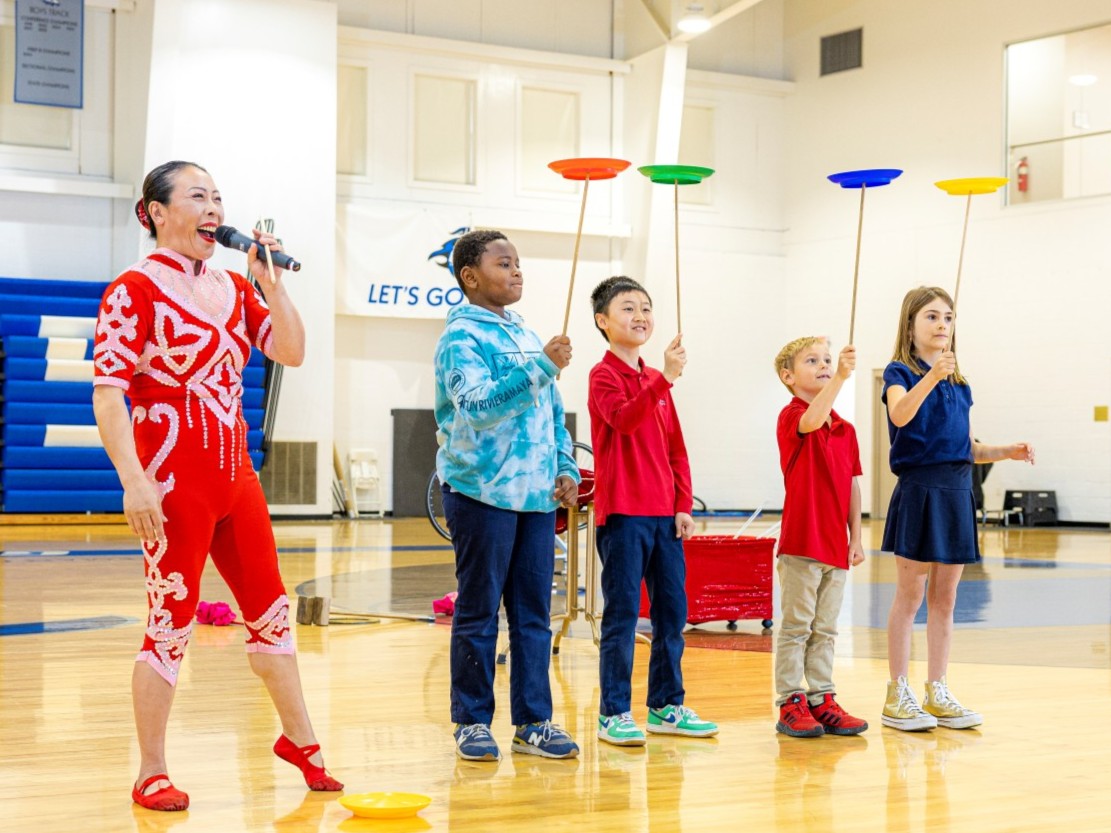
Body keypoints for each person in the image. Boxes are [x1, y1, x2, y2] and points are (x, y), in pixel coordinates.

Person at [93, 161, 341, 811]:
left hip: (237, 479)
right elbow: (109, 391)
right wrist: (133, 480)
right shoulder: (133, 289)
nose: (213, 208)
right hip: (173, 484)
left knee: (272, 612)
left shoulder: (234, 284)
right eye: (197, 196)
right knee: (169, 625)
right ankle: (151, 768)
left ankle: (302, 741)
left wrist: (272, 286)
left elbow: (289, 351)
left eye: (218, 198)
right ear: (155, 212)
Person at [433, 229, 581, 761]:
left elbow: (552, 414)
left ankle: (534, 721)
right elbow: (476, 405)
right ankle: (471, 721)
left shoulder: (524, 332)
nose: (517, 271)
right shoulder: (461, 339)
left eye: (518, 263)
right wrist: (542, 365)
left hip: (536, 498)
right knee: (477, 612)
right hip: (481, 494)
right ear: (471, 277)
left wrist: (565, 467)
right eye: (504, 263)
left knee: (533, 614)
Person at [880, 286, 1034, 731]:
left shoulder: (960, 383)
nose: (942, 325)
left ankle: (938, 690)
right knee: (910, 597)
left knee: (945, 600)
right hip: (919, 490)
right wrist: (930, 378)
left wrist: (1005, 450)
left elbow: (963, 446)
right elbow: (901, 416)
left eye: (948, 317)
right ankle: (898, 693)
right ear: (910, 325)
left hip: (956, 493)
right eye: (931, 317)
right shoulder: (898, 372)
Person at [588, 276, 717, 747]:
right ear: (603, 321)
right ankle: (613, 712)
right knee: (622, 616)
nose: (640, 316)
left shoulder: (656, 382)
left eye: (645, 307)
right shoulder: (602, 376)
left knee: (671, 614)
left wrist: (682, 503)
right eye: (627, 308)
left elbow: (675, 449)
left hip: (665, 518)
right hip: (623, 514)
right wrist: (664, 377)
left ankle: (666, 705)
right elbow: (624, 419)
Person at [772, 336, 868, 738]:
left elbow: (852, 485)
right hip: (801, 545)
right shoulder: (792, 415)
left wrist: (856, 537)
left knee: (826, 629)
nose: (825, 364)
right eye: (812, 360)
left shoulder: (845, 429)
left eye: (828, 359)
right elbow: (811, 421)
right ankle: (790, 700)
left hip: (834, 546)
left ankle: (821, 696)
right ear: (788, 376)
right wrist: (841, 379)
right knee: (797, 627)